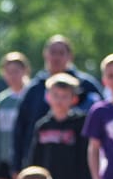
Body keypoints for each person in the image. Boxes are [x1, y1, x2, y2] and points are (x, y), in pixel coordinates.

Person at [12, 36, 101, 171]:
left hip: (77, 164)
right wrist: (17, 165)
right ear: (45, 54)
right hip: (41, 162)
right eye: (52, 52)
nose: (56, 57)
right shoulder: (34, 89)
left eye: (61, 53)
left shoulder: (86, 86)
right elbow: (20, 128)